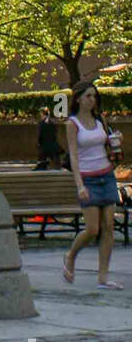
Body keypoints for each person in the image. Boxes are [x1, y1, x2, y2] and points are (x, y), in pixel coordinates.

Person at [62, 80, 124, 289]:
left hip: (106, 175)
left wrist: (116, 140)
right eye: (88, 96)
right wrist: (80, 184)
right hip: (88, 179)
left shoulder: (100, 120)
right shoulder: (72, 124)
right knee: (92, 229)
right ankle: (70, 255)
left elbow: (107, 144)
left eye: (94, 96)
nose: (92, 100)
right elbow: (73, 156)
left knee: (108, 227)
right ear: (78, 99)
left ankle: (103, 278)